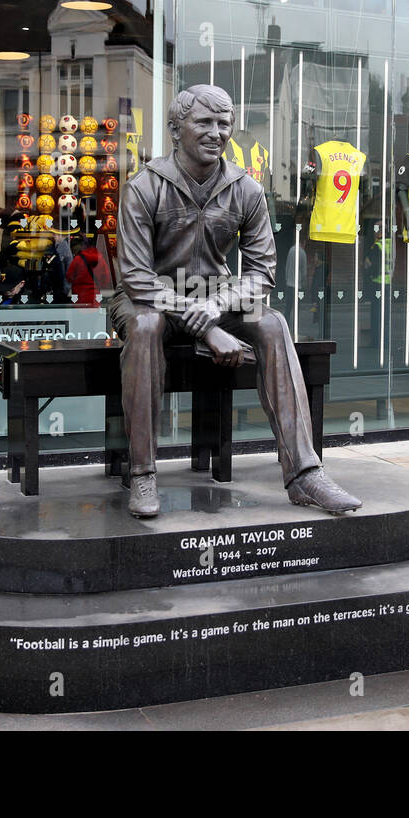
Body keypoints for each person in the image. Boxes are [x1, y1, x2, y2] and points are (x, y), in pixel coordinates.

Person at [110, 84, 362, 517]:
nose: (216, 132)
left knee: (272, 323)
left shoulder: (246, 189)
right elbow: (135, 276)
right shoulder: (144, 186)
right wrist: (206, 328)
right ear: (176, 130)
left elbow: (262, 271)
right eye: (204, 122)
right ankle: (143, 473)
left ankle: (304, 474)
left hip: (215, 295)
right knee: (146, 326)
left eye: (223, 124)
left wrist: (216, 306)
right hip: (148, 297)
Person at [66, 235, 109, 306]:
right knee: (94, 316)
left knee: (81, 317)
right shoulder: (100, 258)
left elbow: (69, 277)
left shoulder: (77, 259)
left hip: (80, 298)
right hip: (95, 298)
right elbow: (106, 278)